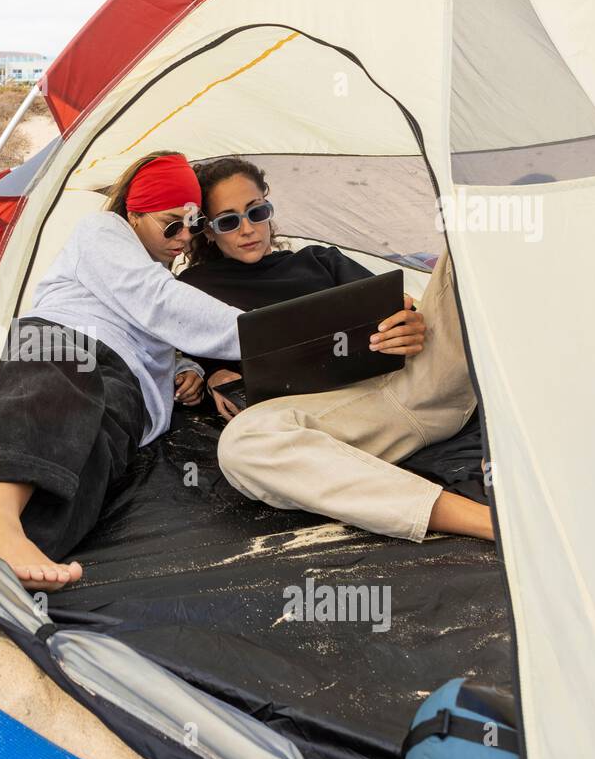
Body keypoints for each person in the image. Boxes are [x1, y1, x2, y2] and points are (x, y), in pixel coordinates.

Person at [0, 152, 243, 590]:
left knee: (97, 447)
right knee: (55, 383)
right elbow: (153, 301)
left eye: (193, 224)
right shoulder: (102, 230)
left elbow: (156, 326)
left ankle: (15, 542)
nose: (184, 236)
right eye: (171, 222)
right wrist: (265, 334)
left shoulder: (161, 272)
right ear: (135, 213)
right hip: (65, 336)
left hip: (128, 378)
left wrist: (184, 367)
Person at [180, 156, 493, 542]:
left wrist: (411, 324)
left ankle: (519, 430)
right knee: (241, 445)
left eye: (256, 212)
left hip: (420, 384)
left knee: (478, 223)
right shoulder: (192, 288)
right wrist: (209, 373)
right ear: (208, 232)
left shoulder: (320, 260)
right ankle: (482, 521)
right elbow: (174, 350)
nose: (248, 229)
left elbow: (397, 308)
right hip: (334, 421)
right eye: (228, 221)